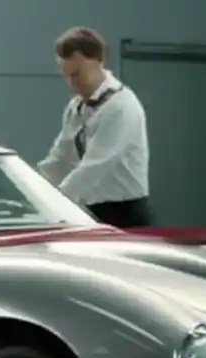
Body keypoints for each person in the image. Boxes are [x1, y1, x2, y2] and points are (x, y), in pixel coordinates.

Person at [37, 26, 153, 228]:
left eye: (77, 74)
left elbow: (94, 166)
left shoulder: (120, 105)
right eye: (67, 75)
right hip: (90, 208)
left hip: (123, 212)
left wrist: (53, 204)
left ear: (99, 61)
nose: (72, 82)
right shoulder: (77, 106)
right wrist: (29, 188)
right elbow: (59, 158)